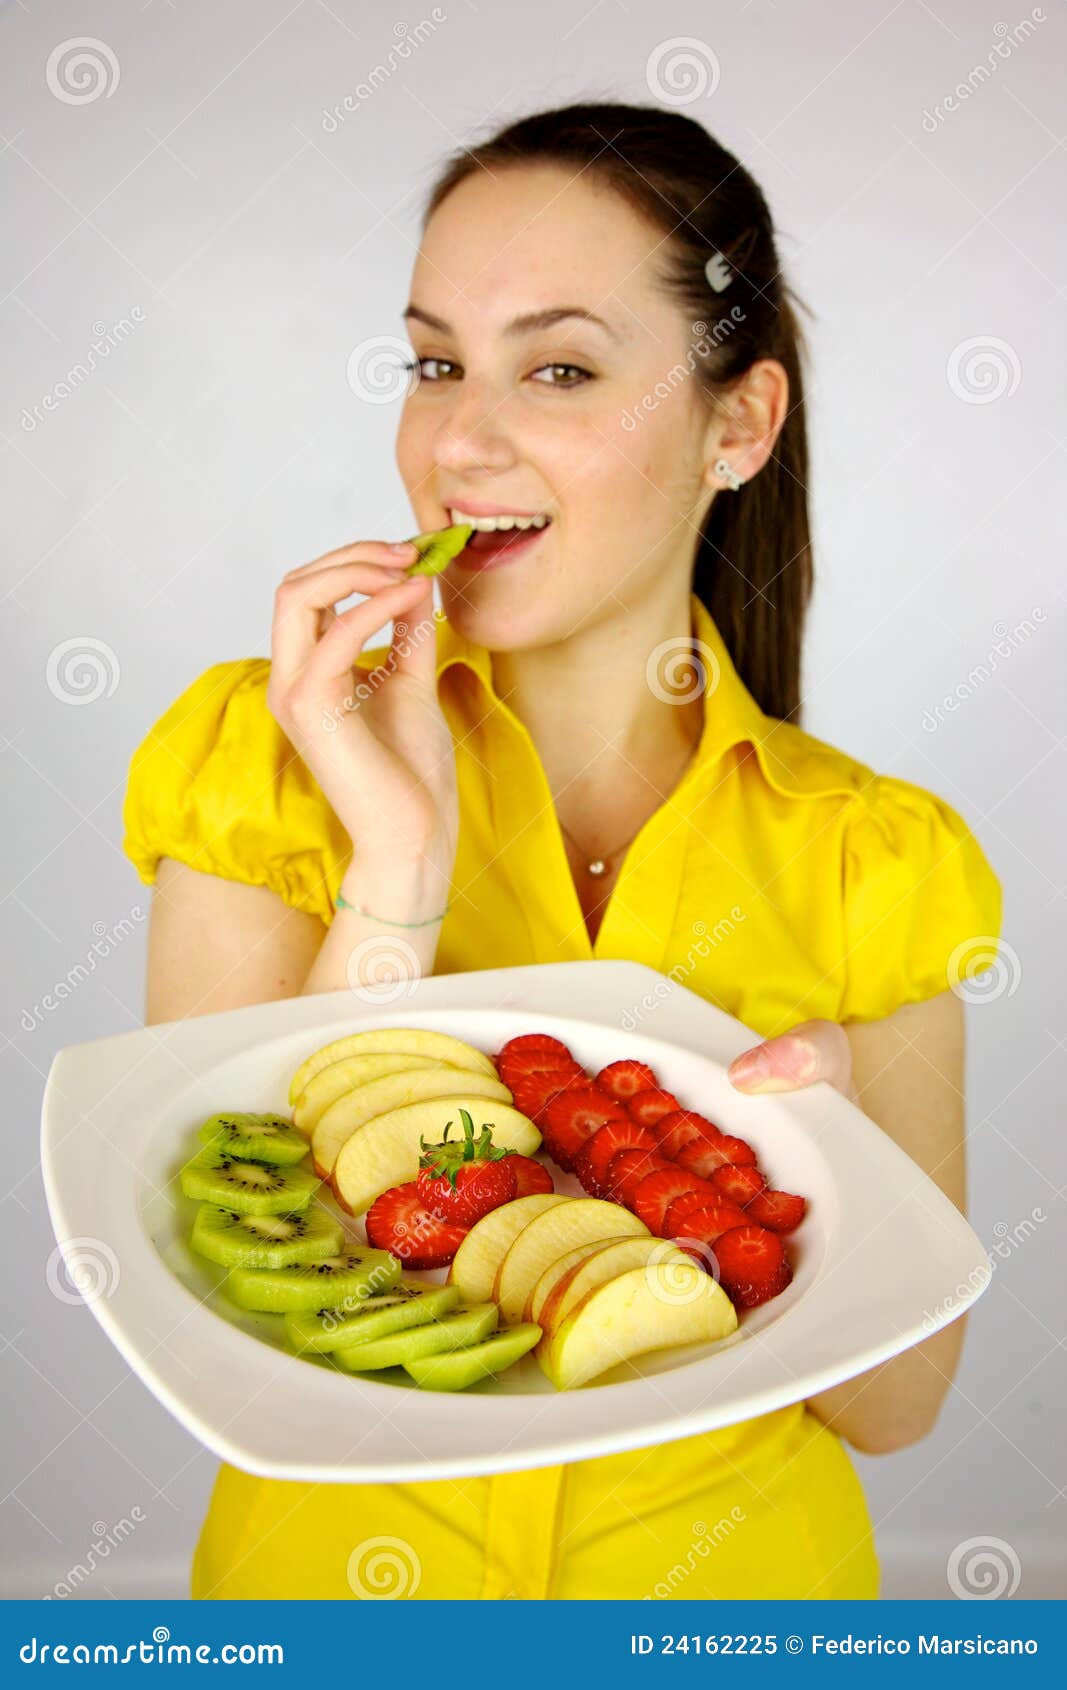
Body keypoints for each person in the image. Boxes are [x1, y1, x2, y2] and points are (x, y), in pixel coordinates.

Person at [121, 103, 1001, 1600]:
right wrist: (394, 867)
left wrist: (824, 1168)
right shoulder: (260, 758)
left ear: (740, 425)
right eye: (436, 362)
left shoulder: (879, 855)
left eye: (560, 368)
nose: (459, 439)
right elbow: (225, 1307)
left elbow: (896, 1407)